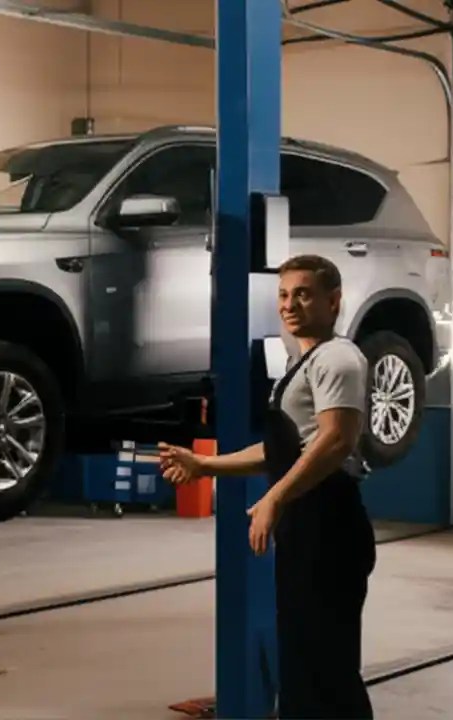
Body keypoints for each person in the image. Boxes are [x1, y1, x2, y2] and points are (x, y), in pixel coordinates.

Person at [160, 254, 377, 719]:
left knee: (327, 668)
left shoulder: (338, 358)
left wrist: (274, 497)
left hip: (329, 523)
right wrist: (204, 464)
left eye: (303, 293)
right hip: (306, 524)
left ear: (333, 301)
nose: (289, 304)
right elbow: (281, 451)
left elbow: (336, 440)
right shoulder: (303, 363)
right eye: (283, 294)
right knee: (302, 662)